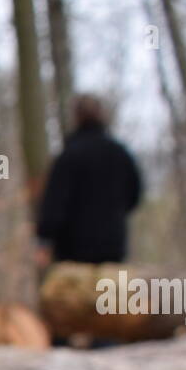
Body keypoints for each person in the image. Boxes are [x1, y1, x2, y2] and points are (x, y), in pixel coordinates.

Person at [35, 94, 142, 268]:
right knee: (110, 293)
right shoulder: (120, 154)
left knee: (77, 295)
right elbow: (134, 196)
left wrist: (44, 239)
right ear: (102, 115)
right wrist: (113, 215)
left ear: (76, 117)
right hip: (113, 248)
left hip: (73, 253)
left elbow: (53, 204)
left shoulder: (68, 156)